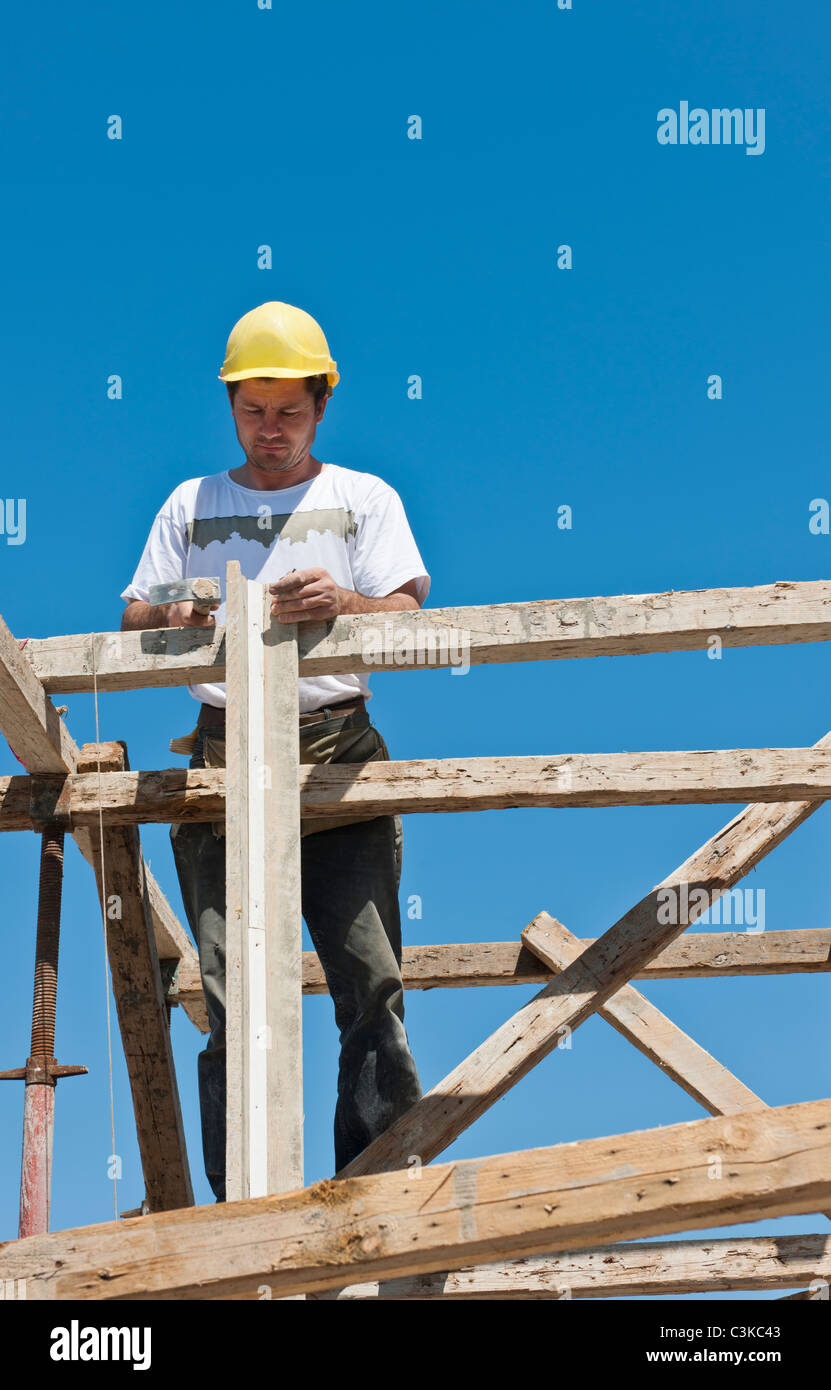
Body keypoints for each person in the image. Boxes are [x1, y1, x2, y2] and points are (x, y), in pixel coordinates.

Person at [120, 300, 428, 1199]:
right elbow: (135, 617)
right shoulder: (193, 502)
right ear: (231, 408)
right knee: (233, 1001)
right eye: (253, 410)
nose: (271, 430)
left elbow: (407, 618)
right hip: (220, 766)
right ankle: (241, 1213)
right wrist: (177, 610)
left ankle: (371, 1195)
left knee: (369, 987)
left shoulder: (361, 499)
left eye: (289, 411)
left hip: (338, 757)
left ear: (320, 407)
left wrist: (343, 603)